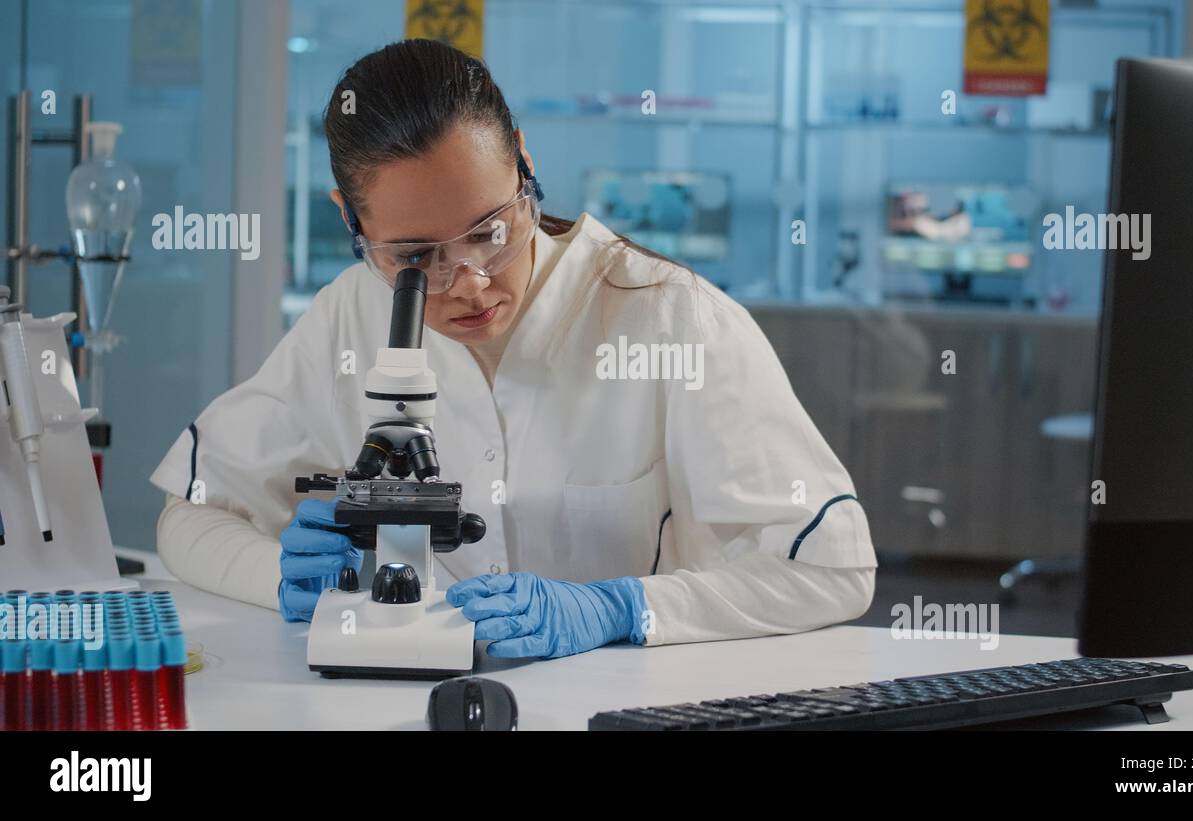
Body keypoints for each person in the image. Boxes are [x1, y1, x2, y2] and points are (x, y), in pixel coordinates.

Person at [149, 39, 876, 659]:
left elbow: (834, 568)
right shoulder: (349, 313)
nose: (468, 282)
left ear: (525, 164)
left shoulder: (668, 317)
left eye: (491, 230)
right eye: (416, 255)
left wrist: (623, 609)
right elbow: (190, 514)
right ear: (349, 219)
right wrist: (275, 571)